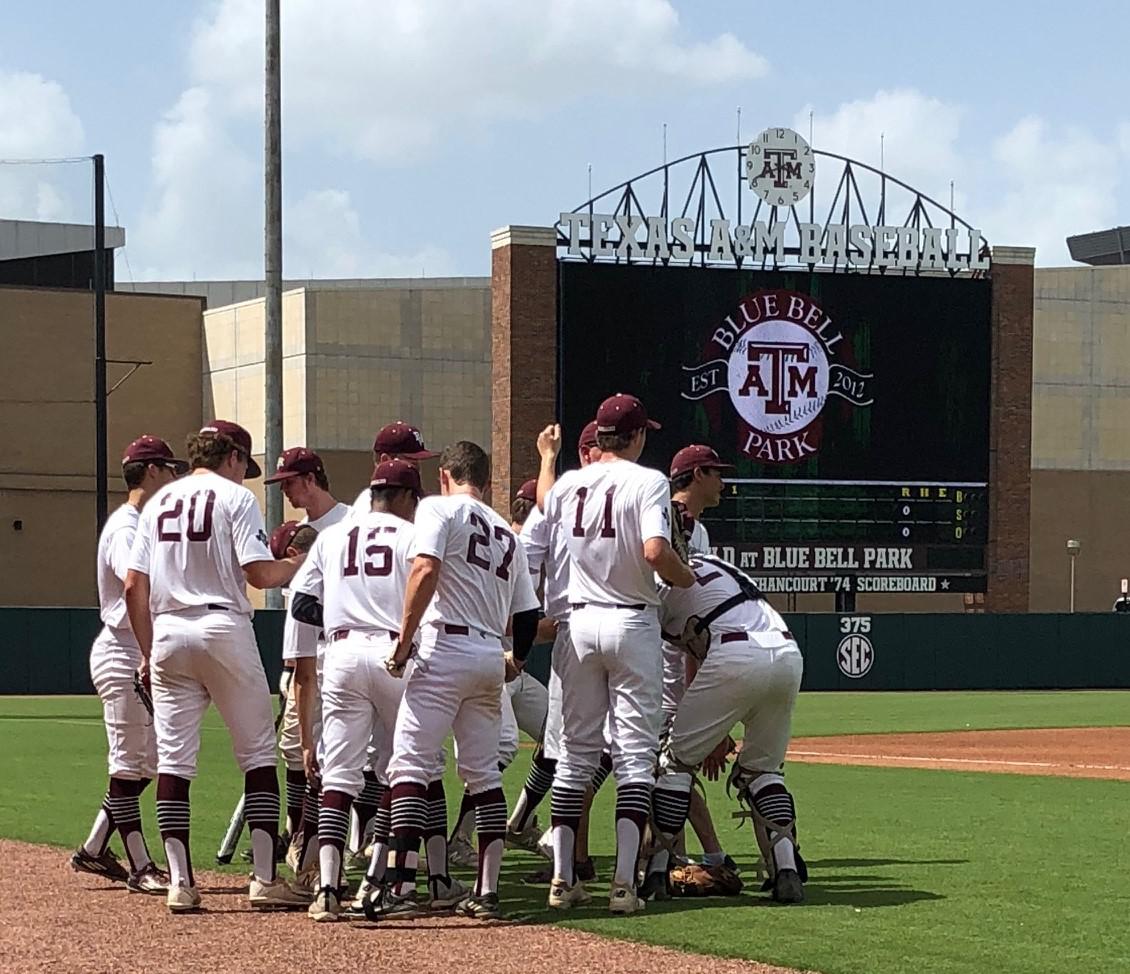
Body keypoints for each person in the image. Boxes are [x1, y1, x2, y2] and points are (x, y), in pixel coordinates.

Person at [123, 420, 310, 913]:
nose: (244, 475)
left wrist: (147, 652)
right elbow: (258, 572)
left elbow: (133, 587)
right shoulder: (236, 497)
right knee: (258, 755)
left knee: (174, 761)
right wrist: (298, 566)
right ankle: (265, 879)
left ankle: (180, 883)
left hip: (167, 630)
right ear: (231, 457)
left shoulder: (157, 502)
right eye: (243, 465)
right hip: (223, 626)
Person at [538, 394, 695, 914]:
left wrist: (547, 458)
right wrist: (684, 577)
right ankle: (624, 885)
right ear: (638, 436)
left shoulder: (568, 484)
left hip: (579, 621)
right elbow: (654, 550)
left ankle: (562, 880)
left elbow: (545, 510)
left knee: (575, 755)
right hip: (631, 620)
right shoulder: (648, 481)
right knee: (632, 756)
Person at [373, 441, 541, 921]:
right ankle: (486, 893)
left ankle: (400, 886)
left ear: (445, 476)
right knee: (483, 775)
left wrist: (403, 642)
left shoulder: (437, 508)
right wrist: (517, 662)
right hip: (488, 652)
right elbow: (528, 615)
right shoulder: (507, 533)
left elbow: (425, 568)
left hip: (444, 646)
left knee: (410, 766)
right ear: (485, 481)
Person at [286, 459, 455, 921]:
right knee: (414, 769)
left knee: (340, 775)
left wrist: (343, 617)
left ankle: (327, 890)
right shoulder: (413, 535)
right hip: (395, 654)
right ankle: (406, 879)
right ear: (407, 498)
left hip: (342, 653)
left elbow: (301, 604)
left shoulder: (333, 536)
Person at [645, 553, 807, 904]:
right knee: (764, 771)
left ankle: (656, 873)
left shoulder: (655, 579)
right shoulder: (716, 562)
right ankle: (786, 870)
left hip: (732, 653)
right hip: (787, 652)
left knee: (674, 765)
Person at [71, 435, 185, 894]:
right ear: (152, 470)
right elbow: (134, 582)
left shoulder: (145, 523)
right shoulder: (127, 526)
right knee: (127, 763)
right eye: (170, 469)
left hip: (138, 648)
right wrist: (149, 650)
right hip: (123, 650)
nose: (174, 477)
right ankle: (140, 865)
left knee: (148, 763)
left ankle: (95, 847)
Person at [264, 448, 351, 886]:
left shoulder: (350, 521)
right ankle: (301, 836)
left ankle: (347, 845)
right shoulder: (299, 533)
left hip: (339, 652)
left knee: (346, 758)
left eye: (291, 483)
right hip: (302, 653)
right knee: (297, 753)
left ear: (312, 479)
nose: (286, 491)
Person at [663, 444, 738, 878]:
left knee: (668, 771)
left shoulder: (700, 532)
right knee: (665, 770)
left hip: (680, 663)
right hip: (660, 666)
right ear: (697, 475)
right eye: (716, 473)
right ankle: (702, 855)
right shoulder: (665, 520)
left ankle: (679, 856)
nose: (723, 483)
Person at [350, 422, 439, 517]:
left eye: (417, 462)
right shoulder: (368, 503)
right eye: (411, 463)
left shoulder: (424, 501)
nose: (418, 469)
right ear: (385, 460)